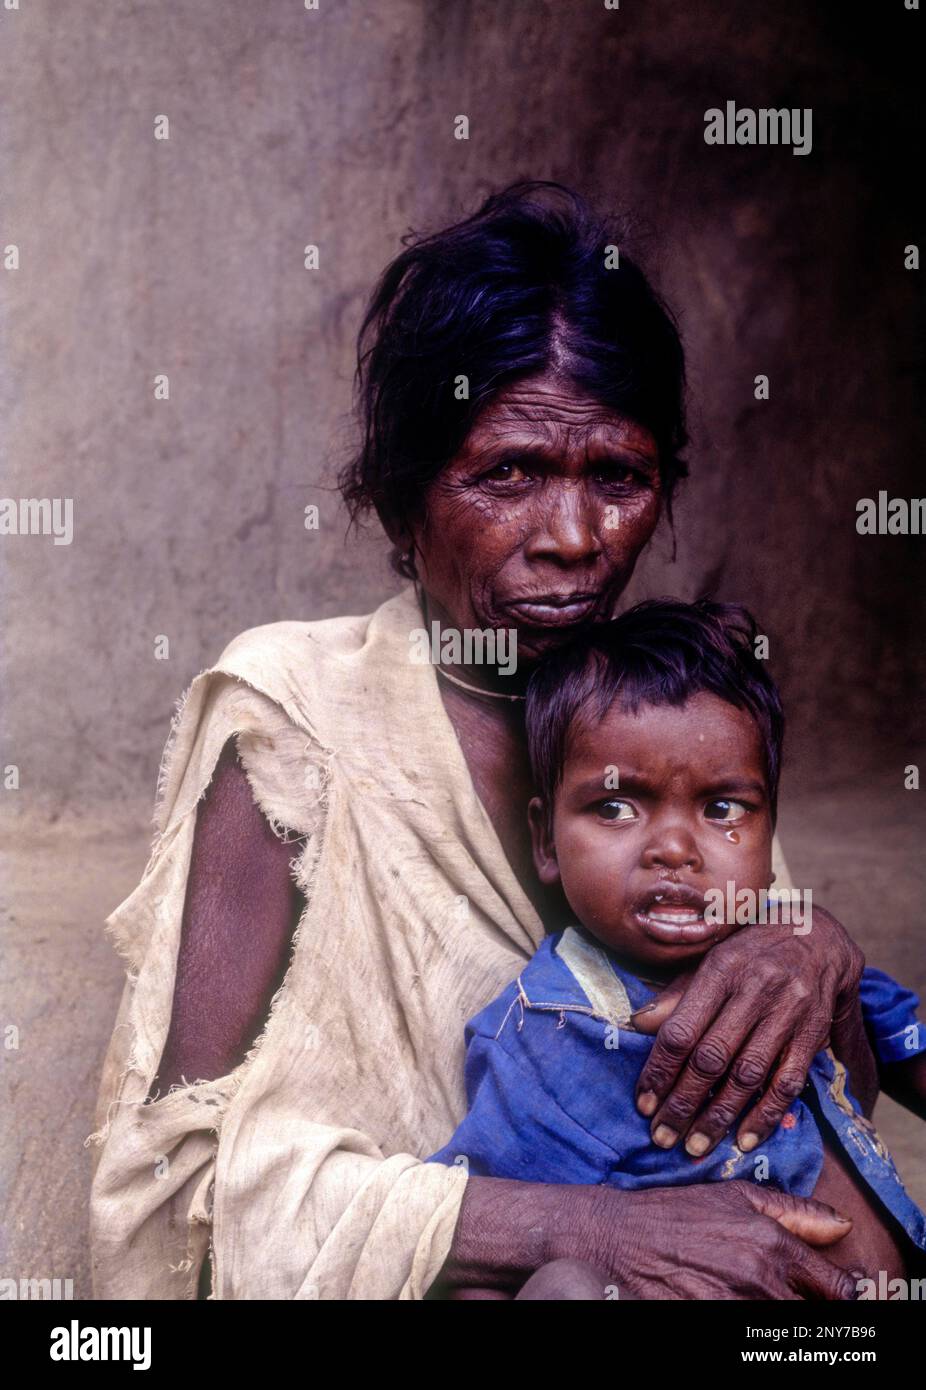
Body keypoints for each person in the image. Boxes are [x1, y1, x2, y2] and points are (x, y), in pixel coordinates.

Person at [87, 182, 872, 1301]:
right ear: (403, 499)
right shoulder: (292, 719)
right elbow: (164, 1187)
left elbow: (806, 1125)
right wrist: (590, 1230)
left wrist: (805, 951)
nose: (573, 537)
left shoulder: (671, 721)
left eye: (618, 477)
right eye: (507, 472)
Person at [427, 599, 926, 1298]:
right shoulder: (550, 1032)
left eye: (723, 809)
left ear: (770, 827)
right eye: (615, 806)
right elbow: (476, 1228)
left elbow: (906, 1042)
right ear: (546, 841)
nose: (673, 849)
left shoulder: (798, 961)